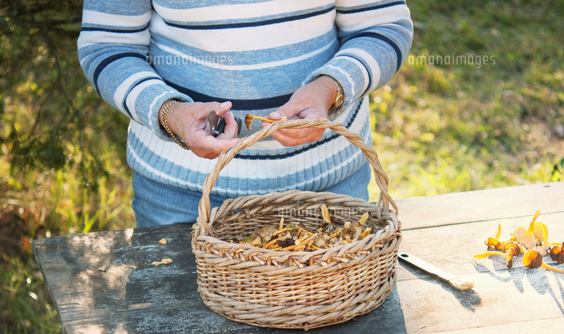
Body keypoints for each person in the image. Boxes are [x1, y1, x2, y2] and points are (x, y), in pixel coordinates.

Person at [77, 1, 413, 227]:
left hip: (328, 189)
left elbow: (383, 25)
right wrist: (170, 113)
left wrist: (328, 88)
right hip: (181, 198)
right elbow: (108, 45)